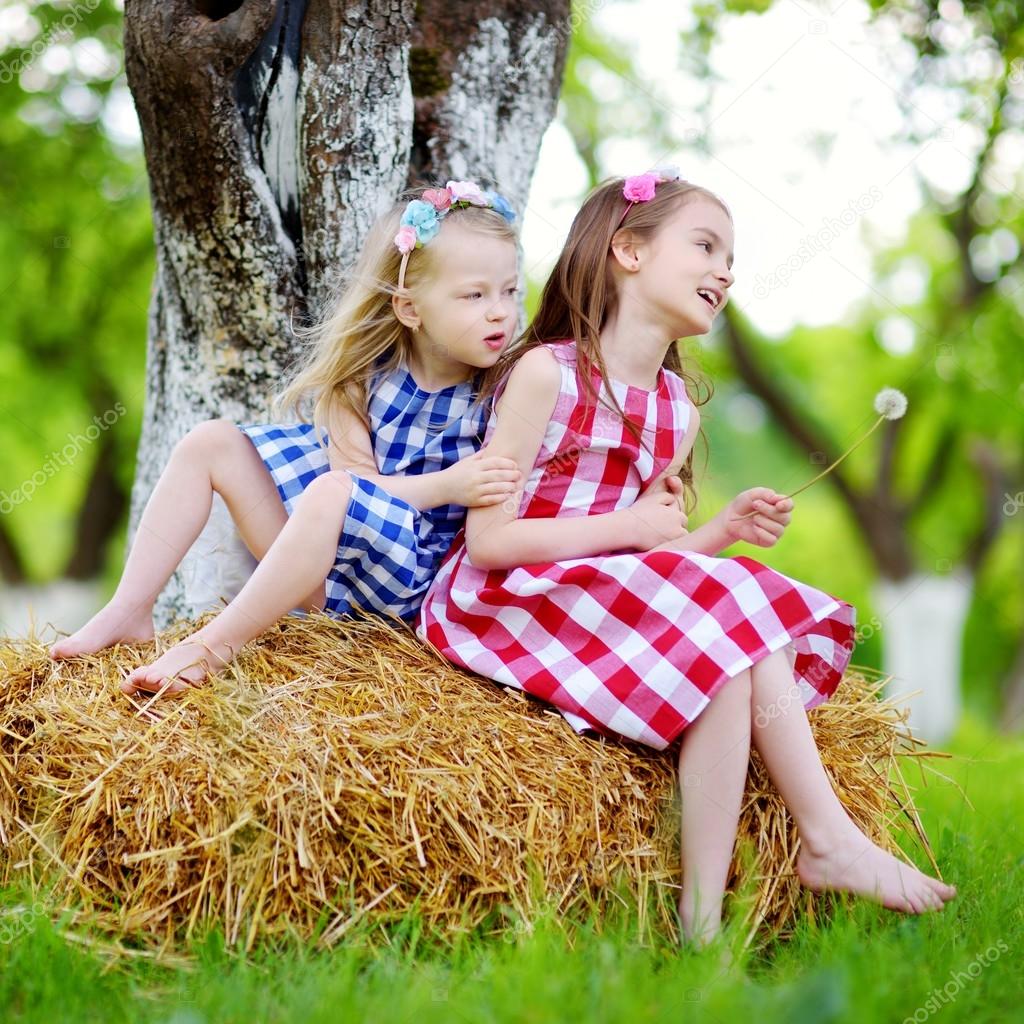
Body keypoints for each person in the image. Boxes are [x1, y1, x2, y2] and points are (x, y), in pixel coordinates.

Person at [417, 170, 956, 946]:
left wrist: (722, 529)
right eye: (705, 246)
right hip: (505, 601)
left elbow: (661, 562)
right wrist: (637, 525)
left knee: (732, 641)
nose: (725, 270)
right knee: (735, 616)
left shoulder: (674, 410)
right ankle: (827, 838)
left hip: (591, 595)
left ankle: (704, 927)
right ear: (628, 251)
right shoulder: (548, 373)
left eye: (731, 257)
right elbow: (490, 541)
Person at [50, 181, 523, 696]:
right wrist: (449, 485)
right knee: (211, 443)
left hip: (403, 590)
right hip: (321, 574)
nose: (499, 310)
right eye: (475, 295)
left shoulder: (505, 391)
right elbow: (356, 481)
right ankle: (129, 609)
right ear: (410, 309)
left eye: (510, 290)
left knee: (333, 490)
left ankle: (210, 648)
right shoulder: (361, 378)